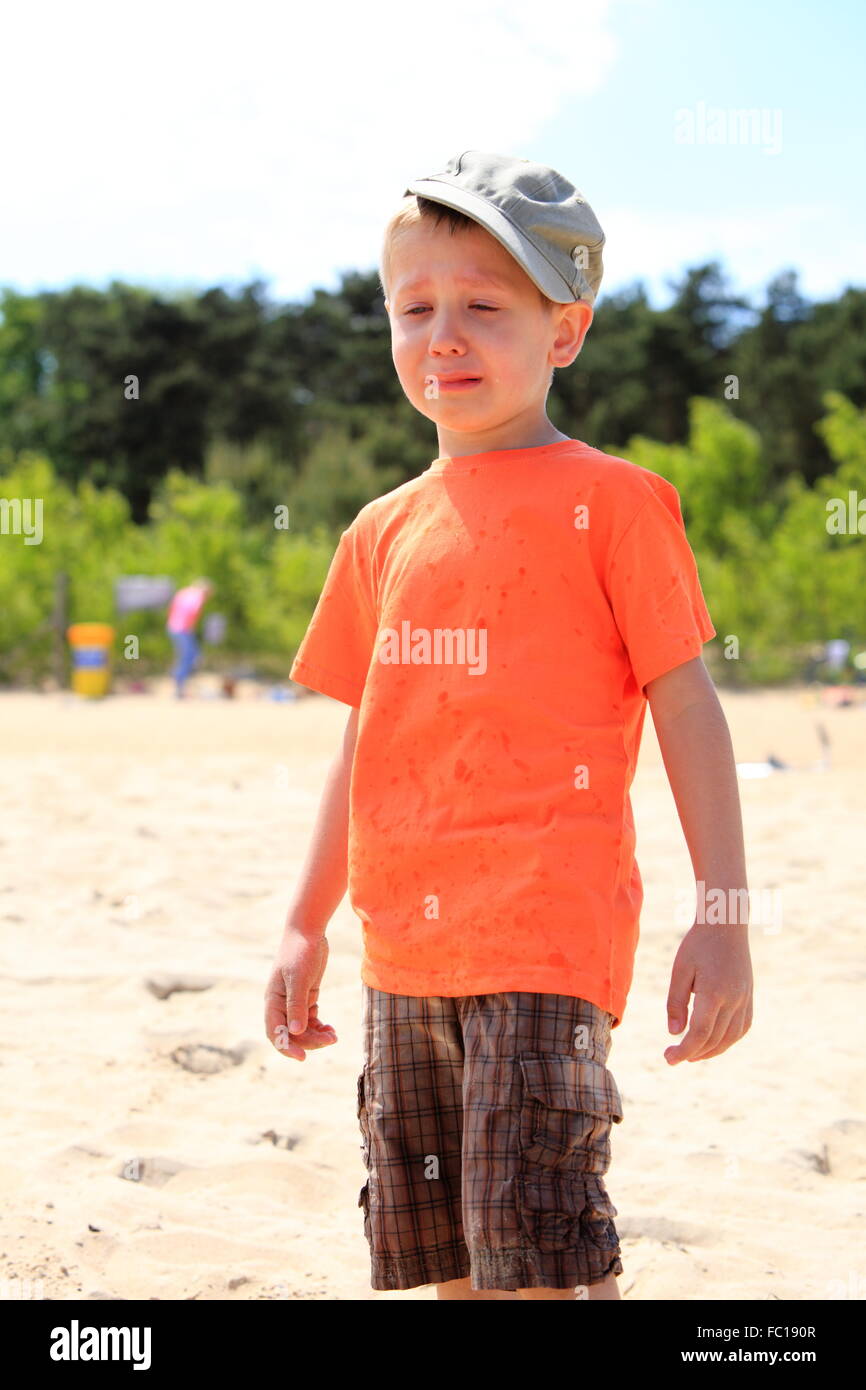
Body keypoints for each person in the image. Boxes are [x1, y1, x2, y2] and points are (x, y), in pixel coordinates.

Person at [263, 151, 753, 1301]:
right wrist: (302, 921)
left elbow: (687, 704)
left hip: (545, 940)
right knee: (453, 1266)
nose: (443, 335)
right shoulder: (378, 532)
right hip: (404, 953)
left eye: (484, 307)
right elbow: (360, 740)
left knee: (538, 1253)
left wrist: (722, 915)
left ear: (564, 331)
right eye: (413, 307)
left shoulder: (616, 504)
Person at [165, 577, 213, 698]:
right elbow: (194, 612)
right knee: (190, 657)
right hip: (184, 629)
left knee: (185, 656)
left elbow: (171, 608)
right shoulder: (197, 596)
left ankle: (179, 682)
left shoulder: (182, 592)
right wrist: (192, 628)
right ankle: (179, 683)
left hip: (172, 627)